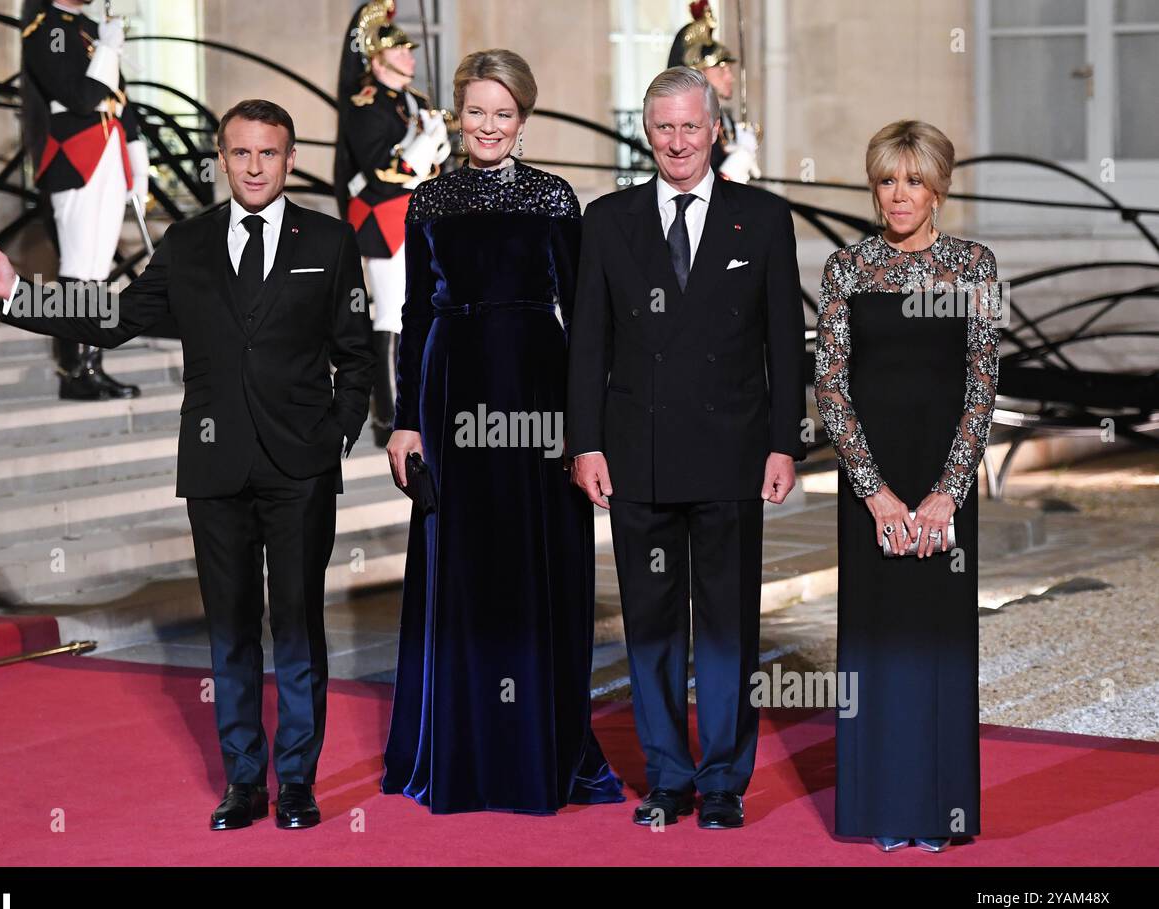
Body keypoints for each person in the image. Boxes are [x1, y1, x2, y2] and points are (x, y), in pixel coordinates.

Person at [0, 99, 375, 832]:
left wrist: (333, 434)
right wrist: (17, 293)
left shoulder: (330, 241)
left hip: (298, 467)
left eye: (269, 153)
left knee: (297, 625)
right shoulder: (188, 241)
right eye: (240, 153)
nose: (254, 166)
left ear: (291, 158)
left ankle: (297, 782)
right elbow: (115, 317)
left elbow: (357, 354)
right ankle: (244, 782)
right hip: (214, 466)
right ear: (221, 158)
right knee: (231, 628)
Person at [381, 49, 625, 815]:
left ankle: (539, 750)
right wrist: (404, 421)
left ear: (524, 118)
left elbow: (586, 320)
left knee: (535, 563)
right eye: (477, 111)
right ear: (458, 114)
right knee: (465, 567)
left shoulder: (555, 199)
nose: (489, 125)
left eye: (504, 112)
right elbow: (415, 313)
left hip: (536, 388)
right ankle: (461, 753)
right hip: (451, 390)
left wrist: (589, 427)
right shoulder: (428, 201)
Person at [568, 66, 806, 829]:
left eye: (691, 127)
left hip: (734, 454)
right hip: (637, 455)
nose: (677, 141)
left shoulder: (764, 219)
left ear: (715, 131)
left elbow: (784, 345)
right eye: (664, 127)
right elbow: (586, 348)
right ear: (648, 132)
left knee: (730, 622)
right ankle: (669, 778)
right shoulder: (605, 221)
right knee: (653, 622)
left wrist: (783, 443)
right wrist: (585, 444)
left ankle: (725, 782)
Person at [815, 120, 1000, 853]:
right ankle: (879, 808)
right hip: (873, 483)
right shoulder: (846, 267)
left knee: (939, 638)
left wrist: (948, 491)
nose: (899, 195)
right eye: (888, 180)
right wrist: (878, 494)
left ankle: (941, 810)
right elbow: (829, 387)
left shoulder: (977, 267)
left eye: (914, 181)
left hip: (945, 477)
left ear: (939, 187)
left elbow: (983, 385)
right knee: (877, 637)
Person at [19, 0, 150, 400]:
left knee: (97, 270)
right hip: (75, 157)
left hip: (109, 156)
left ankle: (93, 364)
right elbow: (81, 97)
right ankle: (72, 370)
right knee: (78, 266)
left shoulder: (87, 30)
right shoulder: (46, 29)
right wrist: (109, 51)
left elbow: (119, 104)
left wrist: (138, 162)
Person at [334, 0, 450, 447]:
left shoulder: (413, 101)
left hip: (418, 217)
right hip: (383, 219)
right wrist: (424, 142)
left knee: (423, 311)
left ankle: (419, 407)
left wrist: (436, 141)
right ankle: (387, 417)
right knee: (390, 313)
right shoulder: (365, 104)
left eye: (409, 51)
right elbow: (385, 169)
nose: (411, 58)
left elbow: (433, 169)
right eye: (401, 52)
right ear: (378, 59)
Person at [666, 0, 758, 184]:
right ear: (699, 73)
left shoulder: (720, 117)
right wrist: (729, 173)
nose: (730, 77)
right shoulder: (686, 122)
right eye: (721, 69)